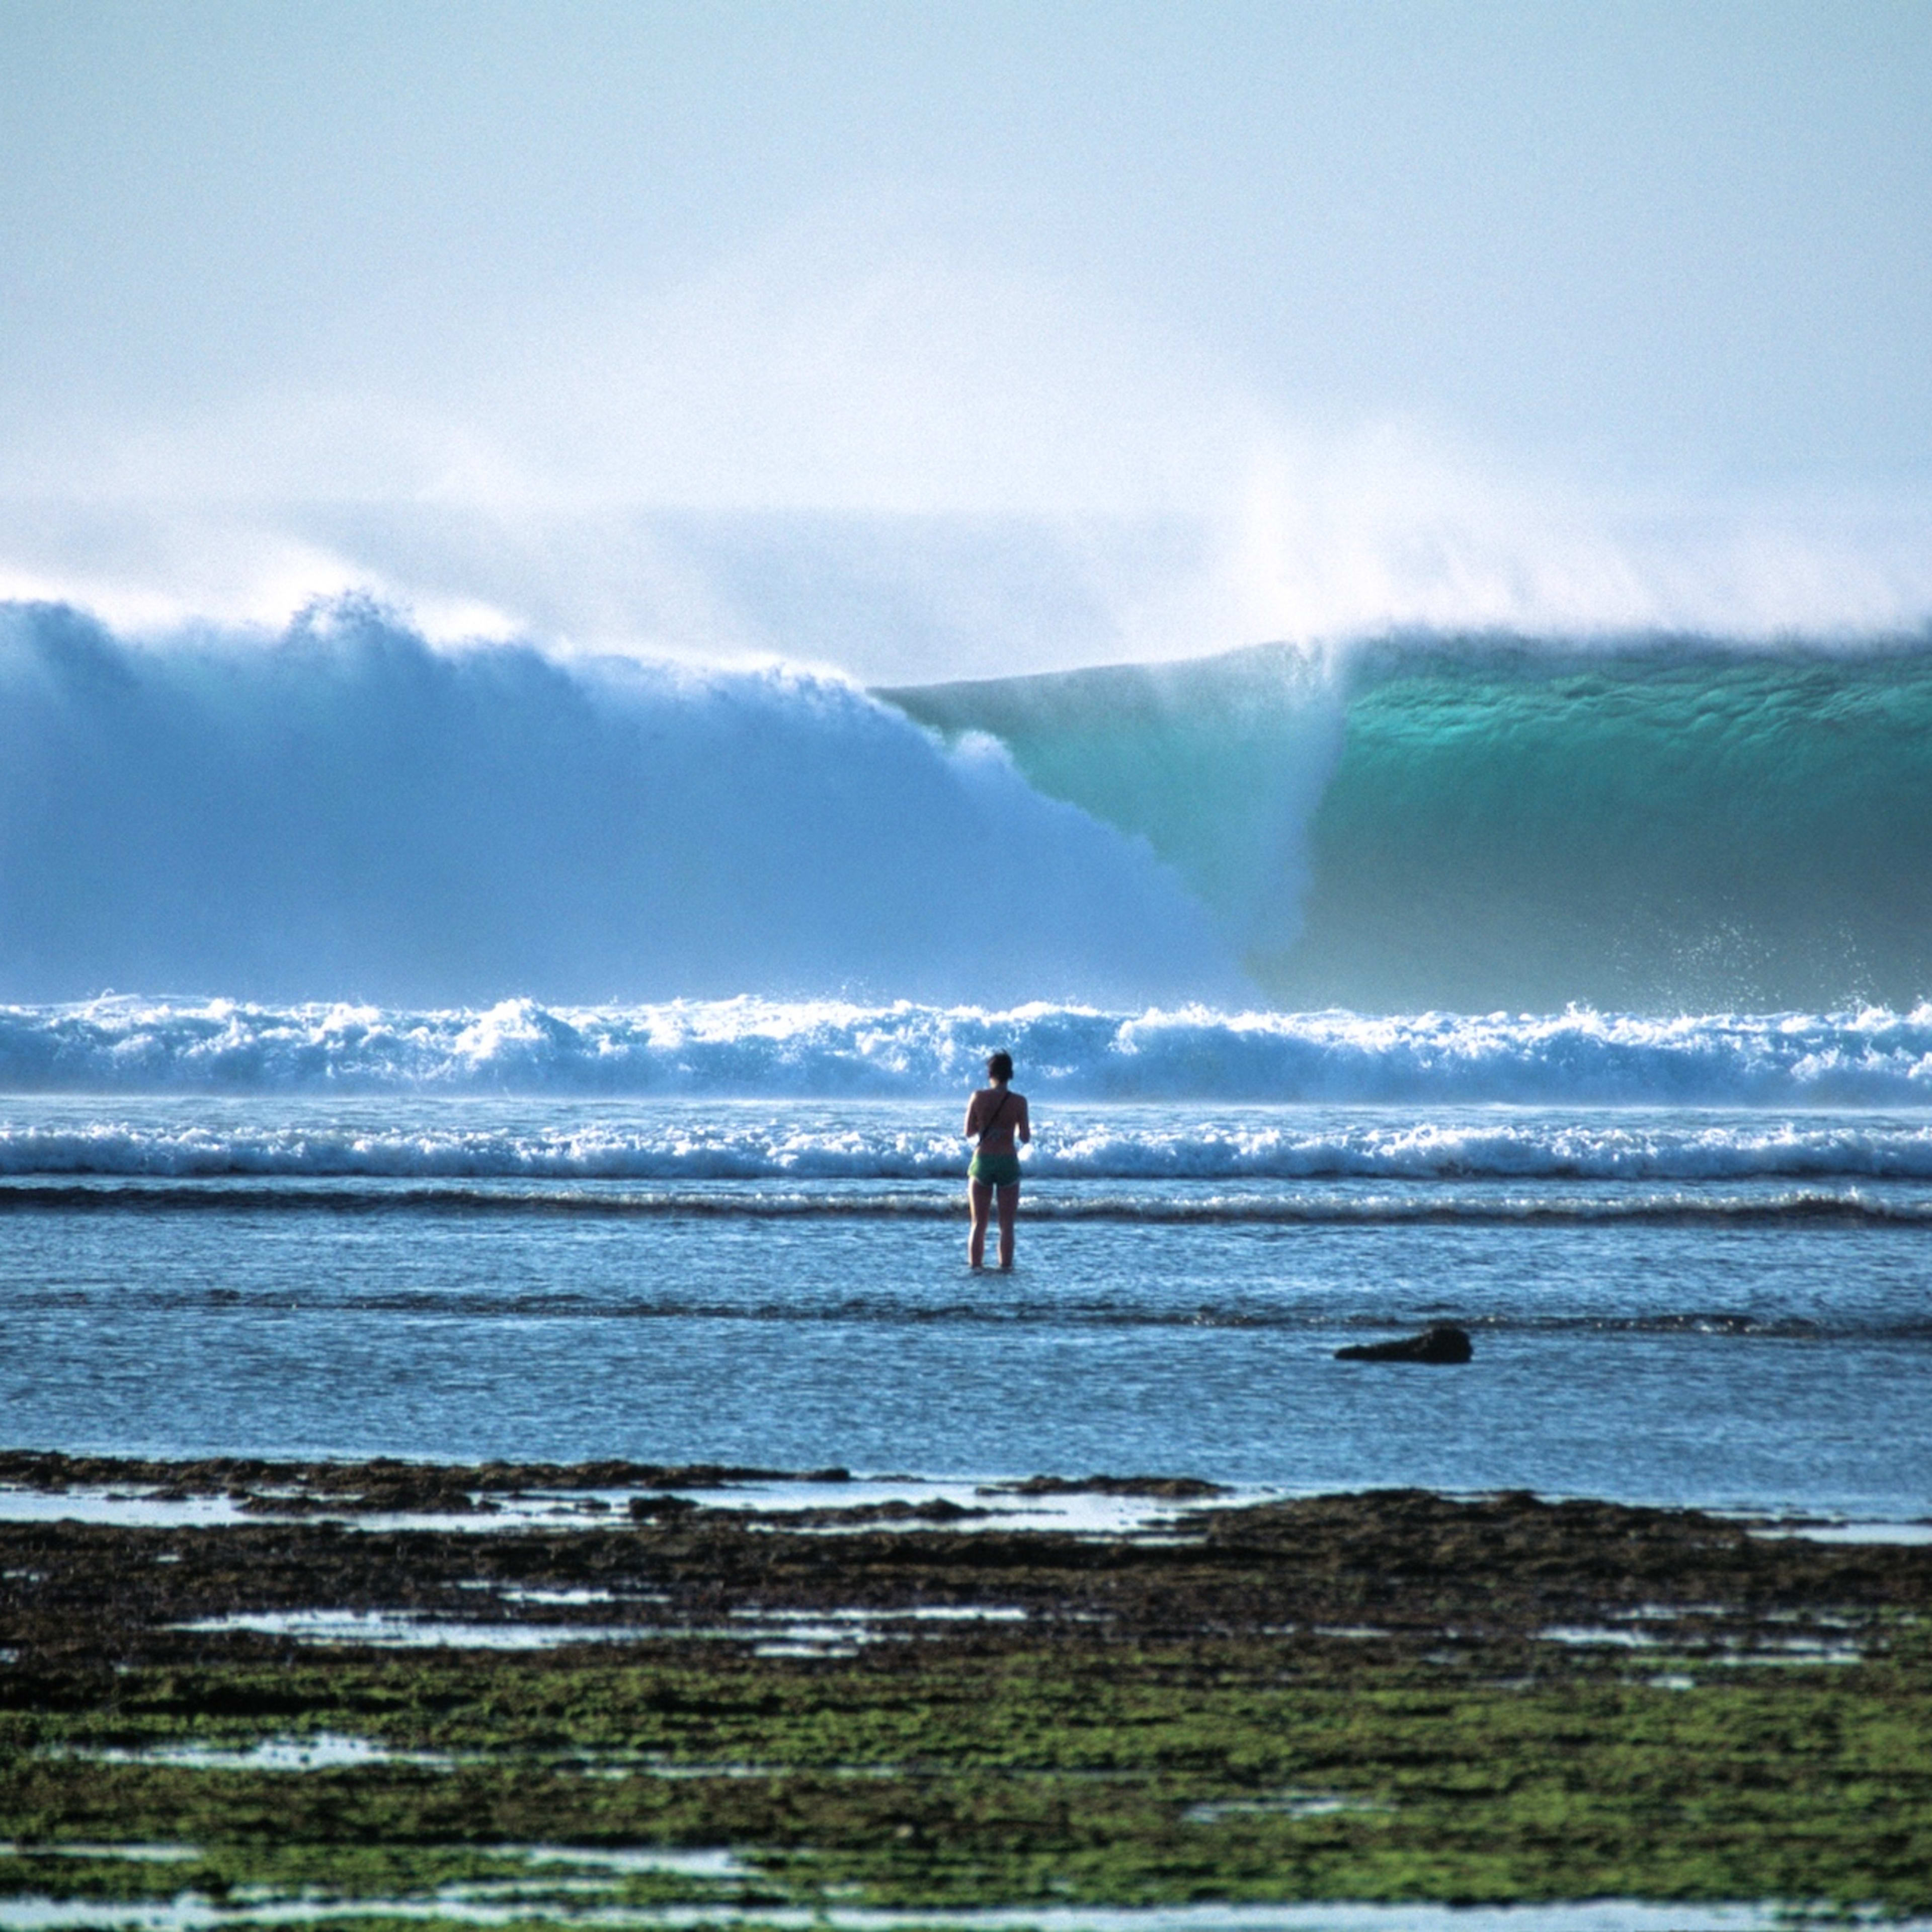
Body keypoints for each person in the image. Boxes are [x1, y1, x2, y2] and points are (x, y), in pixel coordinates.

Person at [964, 1050, 1030, 1270]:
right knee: (1007, 1226)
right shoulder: (1019, 1102)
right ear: (1010, 1074)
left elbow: (969, 1131)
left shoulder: (978, 1097)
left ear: (990, 1073)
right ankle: (1006, 1268)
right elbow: (1025, 1137)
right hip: (1007, 1161)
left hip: (983, 1160)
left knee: (978, 1224)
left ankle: (976, 1269)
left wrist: (986, 1126)